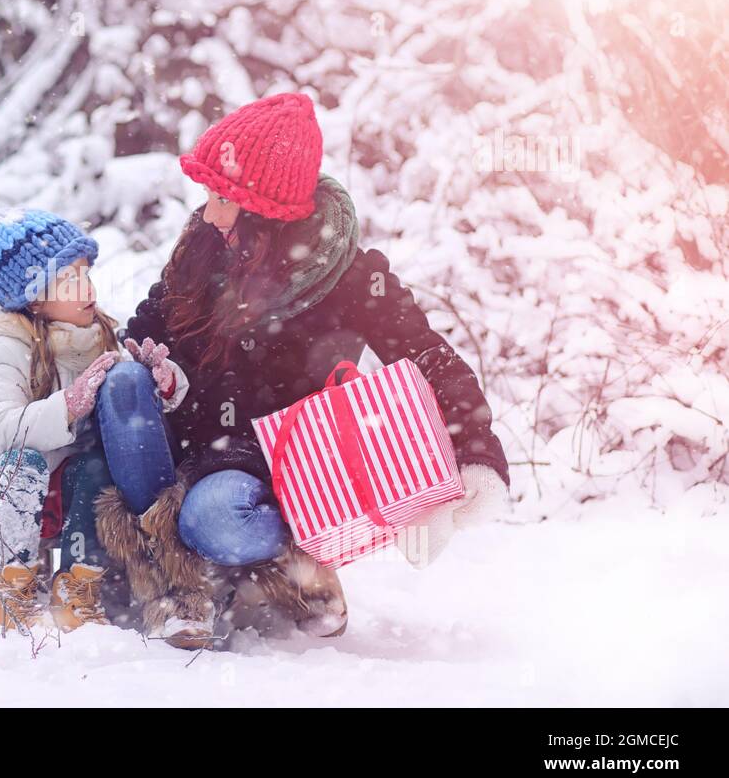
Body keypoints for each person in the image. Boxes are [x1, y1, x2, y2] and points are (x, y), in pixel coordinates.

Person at [92, 93, 510, 647]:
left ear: (262, 210)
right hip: (187, 439)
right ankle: (173, 576)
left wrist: (474, 454)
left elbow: (427, 355)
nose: (207, 211)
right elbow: (146, 330)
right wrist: (156, 366)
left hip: (279, 465)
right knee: (122, 383)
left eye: (221, 197)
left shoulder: (353, 277)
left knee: (215, 519)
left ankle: (292, 562)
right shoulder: (206, 246)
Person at [0, 208, 190, 633]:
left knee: (95, 468)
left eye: (86, 275)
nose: (87, 289)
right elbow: (3, 431)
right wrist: (67, 406)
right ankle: (10, 581)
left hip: (55, 477)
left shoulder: (93, 335)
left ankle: (77, 585)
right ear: (34, 298)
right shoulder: (2, 348)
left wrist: (162, 384)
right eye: (70, 281)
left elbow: (124, 408)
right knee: (24, 464)